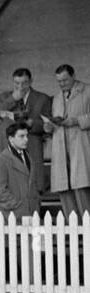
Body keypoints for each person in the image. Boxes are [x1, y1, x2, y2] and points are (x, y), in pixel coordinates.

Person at [0, 68, 50, 193]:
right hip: (7, 147)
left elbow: (47, 124)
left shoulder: (42, 98)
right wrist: (13, 98)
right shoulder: (5, 96)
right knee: (9, 186)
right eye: (16, 83)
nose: (20, 87)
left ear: (31, 81)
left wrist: (32, 123)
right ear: (12, 82)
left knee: (33, 187)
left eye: (24, 83)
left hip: (31, 146)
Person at [43, 64, 90, 218]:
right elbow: (56, 122)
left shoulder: (87, 91)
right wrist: (48, 127)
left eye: (65, 80)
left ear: (73, 75)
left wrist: (76, 121)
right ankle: (74, 230)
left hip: (80, 146)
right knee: (64, 189)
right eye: (59, 81)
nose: (62, 84)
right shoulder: (56, 98)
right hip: (61, 150)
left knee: (82, 186)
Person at [0, 122, 42, 219]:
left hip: (32, 214)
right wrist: (18, 207)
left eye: (27, 136)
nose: (26, 139)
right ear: (11, 139)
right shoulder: (0, 161)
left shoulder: (29, 157)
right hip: (13, 216)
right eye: (21, 136)